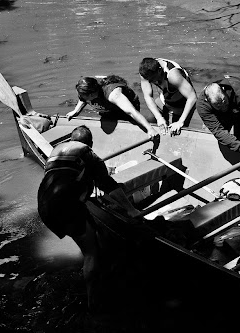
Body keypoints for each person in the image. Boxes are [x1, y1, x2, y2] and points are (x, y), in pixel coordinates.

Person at [36, 125, 140, 310]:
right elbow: (107, 183)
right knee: (91, 252)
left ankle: (97, 272)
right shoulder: (88, 153)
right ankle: (94, 303)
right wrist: (130, 209)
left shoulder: (56, 152)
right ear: (90, 143)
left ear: (71, 139)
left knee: (93, 236)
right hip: (65, 205)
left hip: (44, 204)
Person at [196, 76, 240, 164]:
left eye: (224, 102)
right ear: (208, 102)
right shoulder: (202, 106)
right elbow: (219, 131)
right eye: (218, 105)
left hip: (238, 101)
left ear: (224, 91)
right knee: (222, 133)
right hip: (219, 113)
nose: (223, 106)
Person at [66, 75, 159, 139]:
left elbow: (131, 112)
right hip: (108, 107)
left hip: (124, 108)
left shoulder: (113, 95)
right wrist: (76, 111)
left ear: (91, 95)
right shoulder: (87, 92)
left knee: (129, 123)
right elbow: (82, 99)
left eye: (83, 96)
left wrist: (150, 129)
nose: (81, 98)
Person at [138, 57, 197, 136]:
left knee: (176, 133)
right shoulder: (145, 73)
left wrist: (180, 122)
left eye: (152, 79)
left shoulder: (173, 76)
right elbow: (148, 96)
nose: (149, 82)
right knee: (150, 124)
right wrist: (159, 118)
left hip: (182, 105)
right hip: (164, 99)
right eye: (147, 79)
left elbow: (192, 97)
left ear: (159, 71)